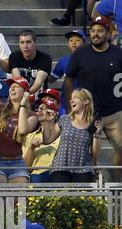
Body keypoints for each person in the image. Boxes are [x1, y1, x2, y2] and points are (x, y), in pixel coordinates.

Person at [64, 16, 122, 178]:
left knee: (121, 148)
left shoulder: (118, 53)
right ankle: (92, 181)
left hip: (114, 111)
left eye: (100, 31)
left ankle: (118, 184)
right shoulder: (80, 52)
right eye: (93, 31)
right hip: (87, 112)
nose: (96, 34)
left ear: (108, 33)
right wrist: (71, 107)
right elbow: (68, 80)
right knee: (84, 151)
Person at [0, 77, 38, 184]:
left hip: (16, 162)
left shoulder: (32, 115)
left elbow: (22, 130)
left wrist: (22, 105)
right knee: (2, 193)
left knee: (19, 196)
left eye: (16, 87)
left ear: (25, 92)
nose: (12, 89)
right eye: (11, 87)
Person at [44, 88, 102, 183]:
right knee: (60, 197)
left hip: (83, 169)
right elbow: (47, 140)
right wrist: (46, 122)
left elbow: (95, 156)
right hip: (60, 167)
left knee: (81, 198)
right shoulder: (64, 119)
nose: (71, 100)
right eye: (71, 98)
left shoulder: (93, 123)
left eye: (75, 97)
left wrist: (97, 134)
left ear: (86, 101)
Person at [49, 29, 86, 116]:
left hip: (84, 100)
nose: (74, 42)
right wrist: (40, 74)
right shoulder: (64, 60)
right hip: (67, 102)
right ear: (68, 43)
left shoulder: (90, 59)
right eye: (71, 40)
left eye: (77, 40)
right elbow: (52, 79)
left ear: (84, 42)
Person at [24, 98, 60, 183]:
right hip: (37, 177)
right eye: (38, 109)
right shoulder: (30, 136)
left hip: (59, 175)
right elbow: (25, 168)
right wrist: (31, 148)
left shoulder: (64, 135)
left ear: (53, 113)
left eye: (43, 108)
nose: (39, 111)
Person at [9, 29, 52, 95]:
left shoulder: (45, 58)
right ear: (19, 44)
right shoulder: (14, 56)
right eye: (22, 42)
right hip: (20, 95)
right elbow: (17, 79)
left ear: (35, 43)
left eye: (28, 42)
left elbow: (38, 82)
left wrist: (26, 94)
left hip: (39, 99)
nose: (25, 46)